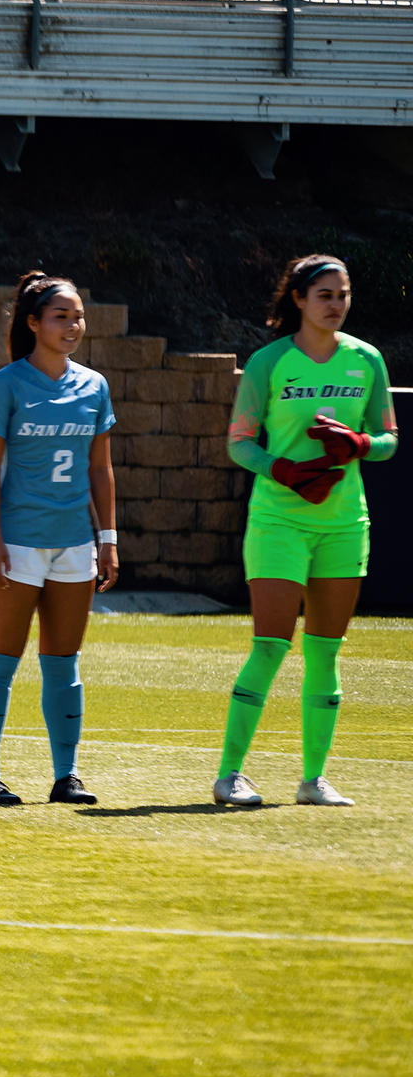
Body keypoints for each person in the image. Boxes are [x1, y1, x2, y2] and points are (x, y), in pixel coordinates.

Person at [214, 255, 397, 808]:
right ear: (298, 299)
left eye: (343, 294)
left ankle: (313, 780)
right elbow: (239, 442)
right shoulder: (270, 362)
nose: (336, 303)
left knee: (325, 652)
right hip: (278, 520)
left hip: (344, 524)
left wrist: (361, 444)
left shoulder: (367, 360)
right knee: (270, 645)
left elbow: (389, 437)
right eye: (324, 294)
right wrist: (285, 470)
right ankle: (229, 775)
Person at [0, 272, 119, 806]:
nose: (73, 325)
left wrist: (108, 538)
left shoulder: (94, 385)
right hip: (17, 542)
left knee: (63, 662)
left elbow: (100, 469)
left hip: (74, 542)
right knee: (2, 659)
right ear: (33, 323)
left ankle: (66, 777)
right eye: (61, 316)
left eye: (78, 316)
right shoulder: (5, 384)